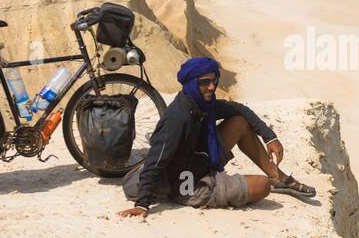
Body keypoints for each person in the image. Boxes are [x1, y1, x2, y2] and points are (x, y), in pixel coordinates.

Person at [119, 56, 315, 218]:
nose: (212, 87)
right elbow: (155, 160)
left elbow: (239, 109)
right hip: (186, 183)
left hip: (201, 159)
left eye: (214, 81)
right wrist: (142, 204)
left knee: (238, 122)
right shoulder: (177, 119)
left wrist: (270, 137)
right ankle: (264, 181)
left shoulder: (201, 102)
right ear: (192, 84)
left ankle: (278, 177)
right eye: (204, 82)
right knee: (262, 186)